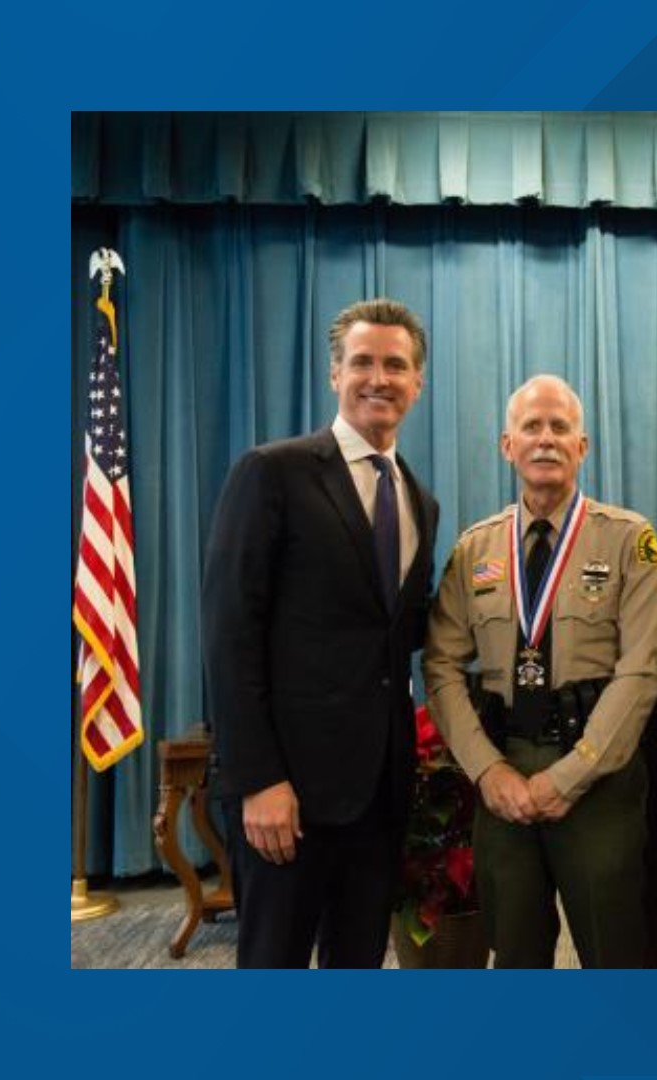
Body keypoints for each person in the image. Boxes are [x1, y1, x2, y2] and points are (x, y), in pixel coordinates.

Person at [202, 298, 440, 968]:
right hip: (287, 798)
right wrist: (257, 781)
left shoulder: (421, 501)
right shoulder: (271, 472)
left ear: (417, 384)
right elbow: (229, 635)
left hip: (377, 797)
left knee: (356, 965)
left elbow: (401, 637)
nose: (379, 378)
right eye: (362, 362)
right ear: (334, 374)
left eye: (396, 365)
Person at [422, 375, 657, 967]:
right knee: (515, 956)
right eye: (531, 426)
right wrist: (486, 772)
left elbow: (640, 672)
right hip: (502, 777)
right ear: (507, 445)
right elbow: (440, 666)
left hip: (596, 779)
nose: (546, 439)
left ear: (583, 446)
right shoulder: (474, 550)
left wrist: (571, 775)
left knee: (615, 955)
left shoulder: (630, 540)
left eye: (561, 427)